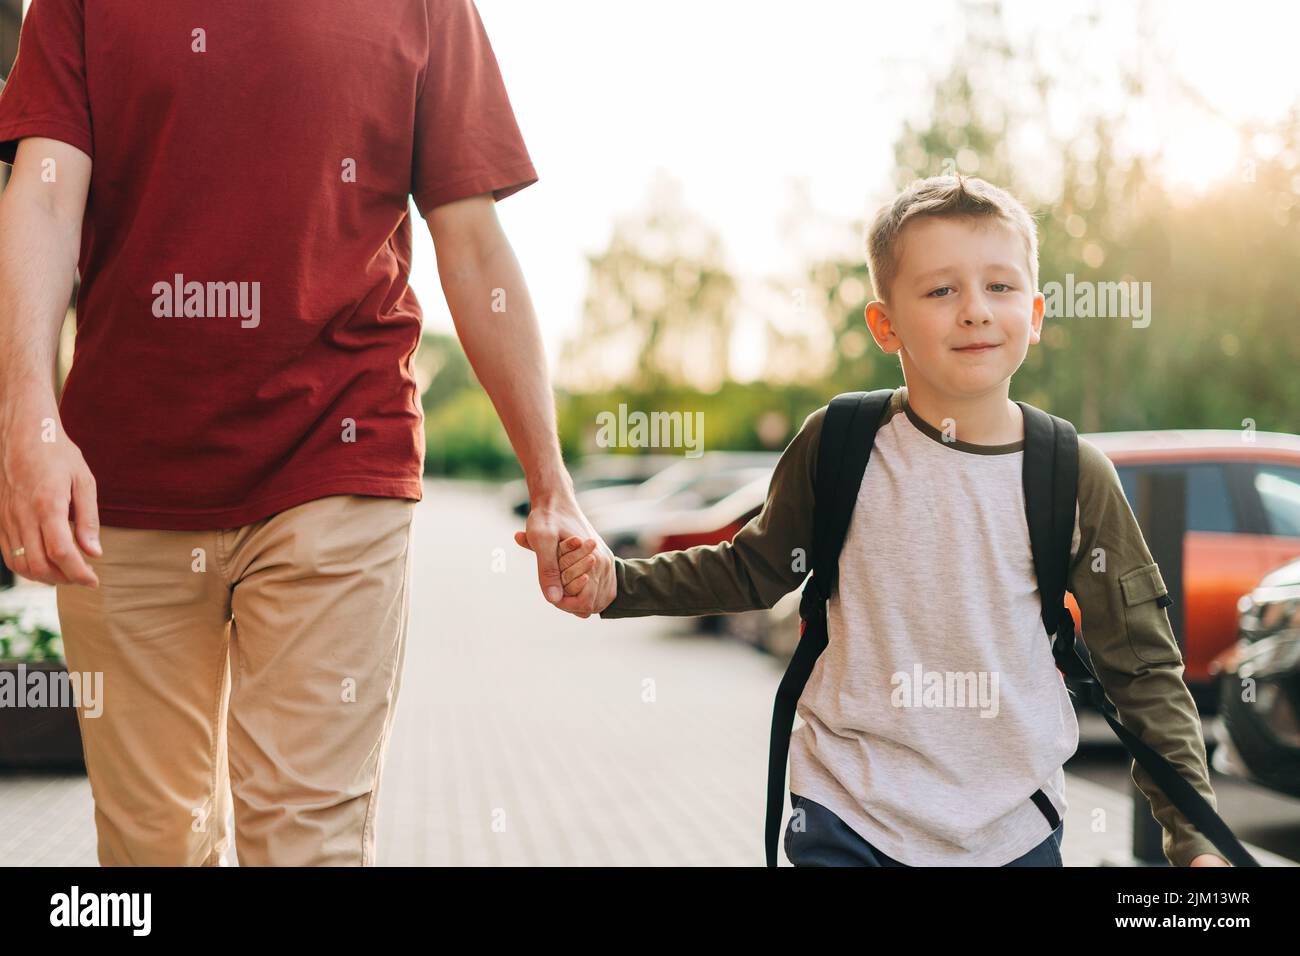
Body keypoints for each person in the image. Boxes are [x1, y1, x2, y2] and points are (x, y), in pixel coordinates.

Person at [0, 0, 613, 866]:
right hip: (124, 478)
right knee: (151, 847)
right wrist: (28, 420)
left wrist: (551, 483)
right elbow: (45, 190)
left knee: (307, 841)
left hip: (340, 451)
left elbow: (472, 241)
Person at [530, 175, 1230, 867]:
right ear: (885, 322)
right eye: (940, 290)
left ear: (1038, 311)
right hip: (847, 814)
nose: (976, 311)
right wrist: (615, 585)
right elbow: (751, 568)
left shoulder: (1073, 474)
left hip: (1014, 831)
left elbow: (1142, 671)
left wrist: (1196, 840)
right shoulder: (839, 443)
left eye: (1001, 286)